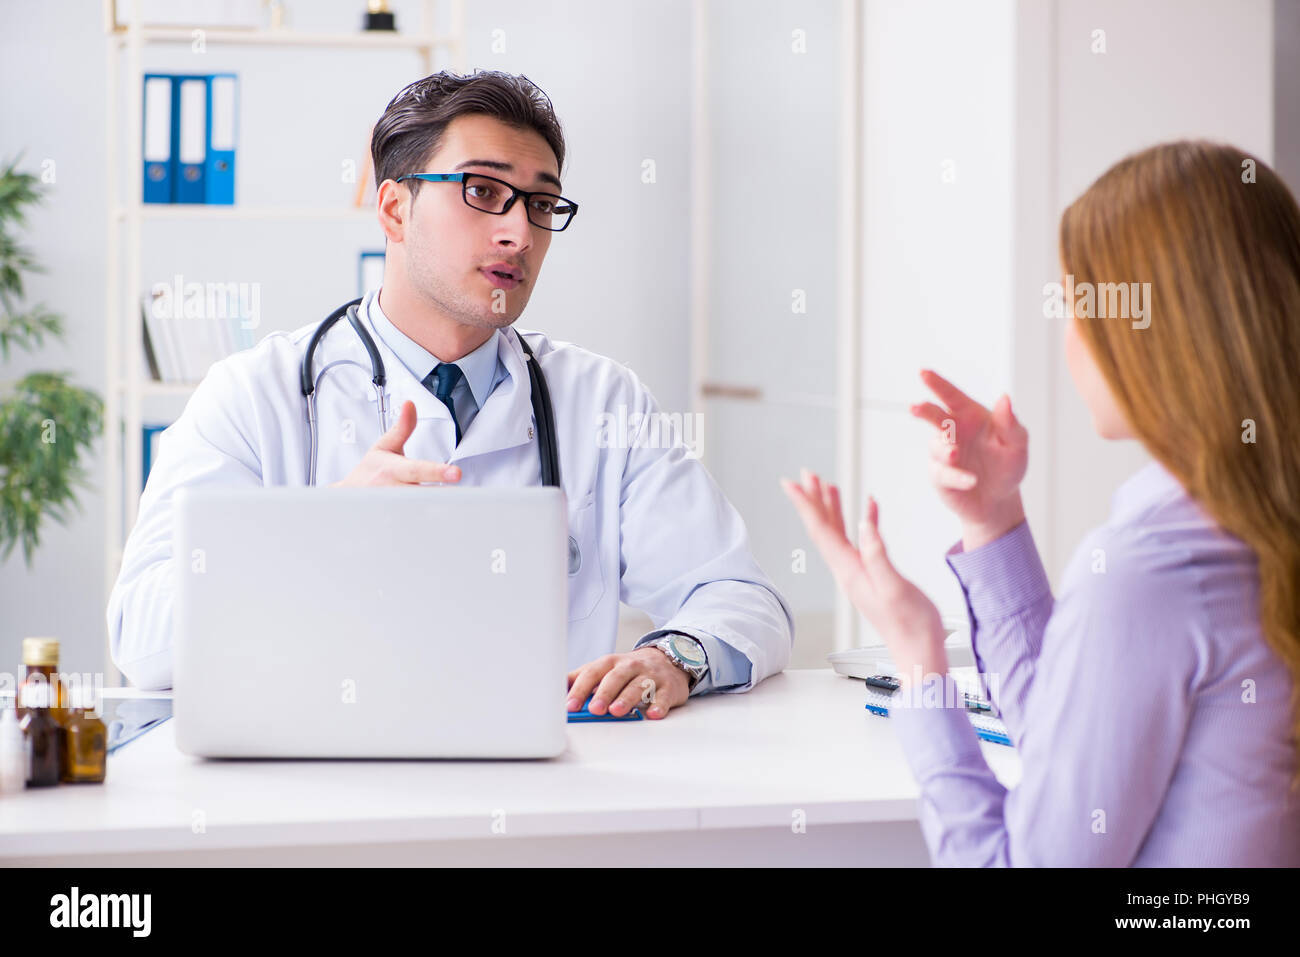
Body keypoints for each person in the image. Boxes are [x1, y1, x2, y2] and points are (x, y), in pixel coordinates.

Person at [109, 70, 793, 714]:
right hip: (322, 798)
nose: (518, 232)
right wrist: (320, 532)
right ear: (394, 208)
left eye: (541, 203)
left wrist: (674, 657)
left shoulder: (602, 401)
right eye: (482, 191)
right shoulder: (257, 395)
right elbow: (145, 635)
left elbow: (740, 597)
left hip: (555, 803)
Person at [782, 140, 1300, 865]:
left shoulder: (1148, 571)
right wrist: (992, 522)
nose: (1070, 340)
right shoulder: (1249, 532)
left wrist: (918, 659)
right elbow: (1080, 747)